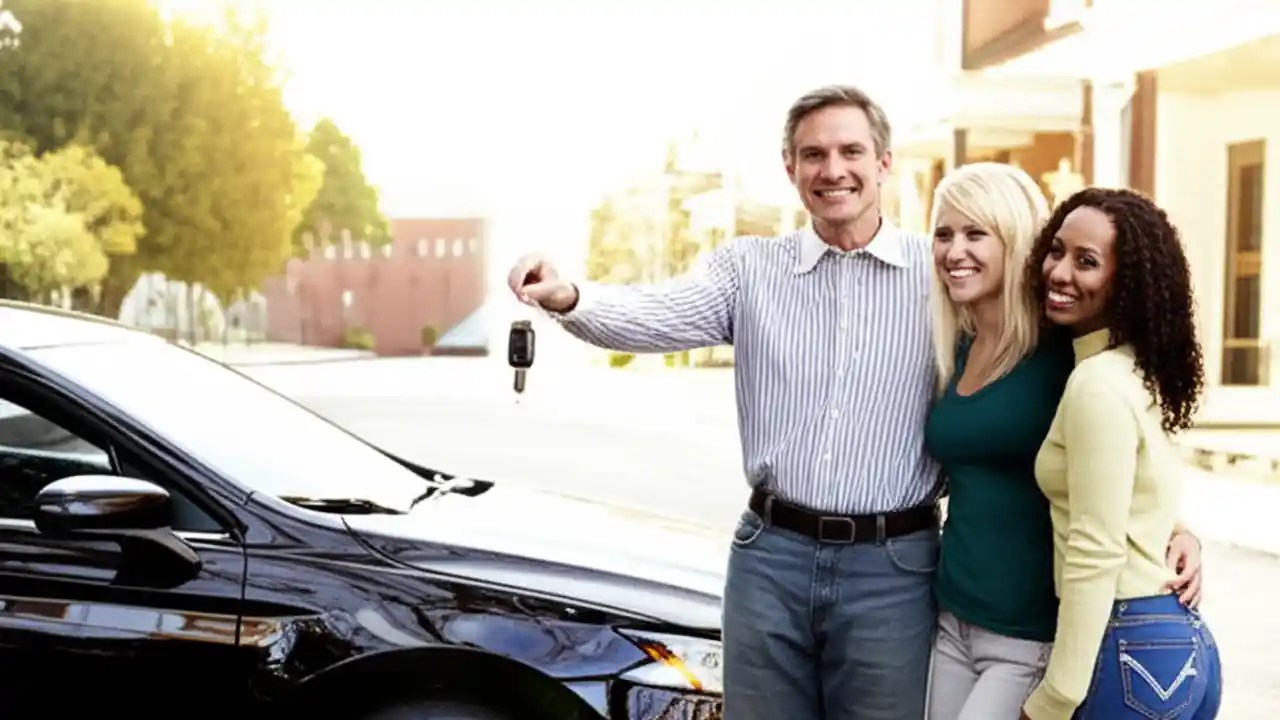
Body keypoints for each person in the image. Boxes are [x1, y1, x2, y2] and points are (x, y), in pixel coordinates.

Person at [508, 84, 942, 719]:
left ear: (883, 163)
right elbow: (655, 314)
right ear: (790, 169)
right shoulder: (751, 270)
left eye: (851, 150)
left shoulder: (938, 277)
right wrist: (571, 295)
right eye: (812, 154)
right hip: (773, 560)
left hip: (894, 569)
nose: (832, 169)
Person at [921, 165, 1206, 720]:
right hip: (954, 615)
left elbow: (1127, 467)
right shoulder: (956, 345)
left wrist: (1175, 528)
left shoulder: (1067, 359)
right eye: (944, 233)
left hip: (1028, 632)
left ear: (1014, 239)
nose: (956, 250)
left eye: (977, 233)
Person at [1019, 187, 1223, 720]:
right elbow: (1140, 495)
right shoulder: (1133, 372)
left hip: (1128, 646)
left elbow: (1095, 549)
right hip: (1177, 643)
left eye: (1087, 262)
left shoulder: (1098, 383)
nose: (1059, 272)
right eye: (1056, 251)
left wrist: (1054, 699)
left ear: (1128, 283)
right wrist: (1181, 531)